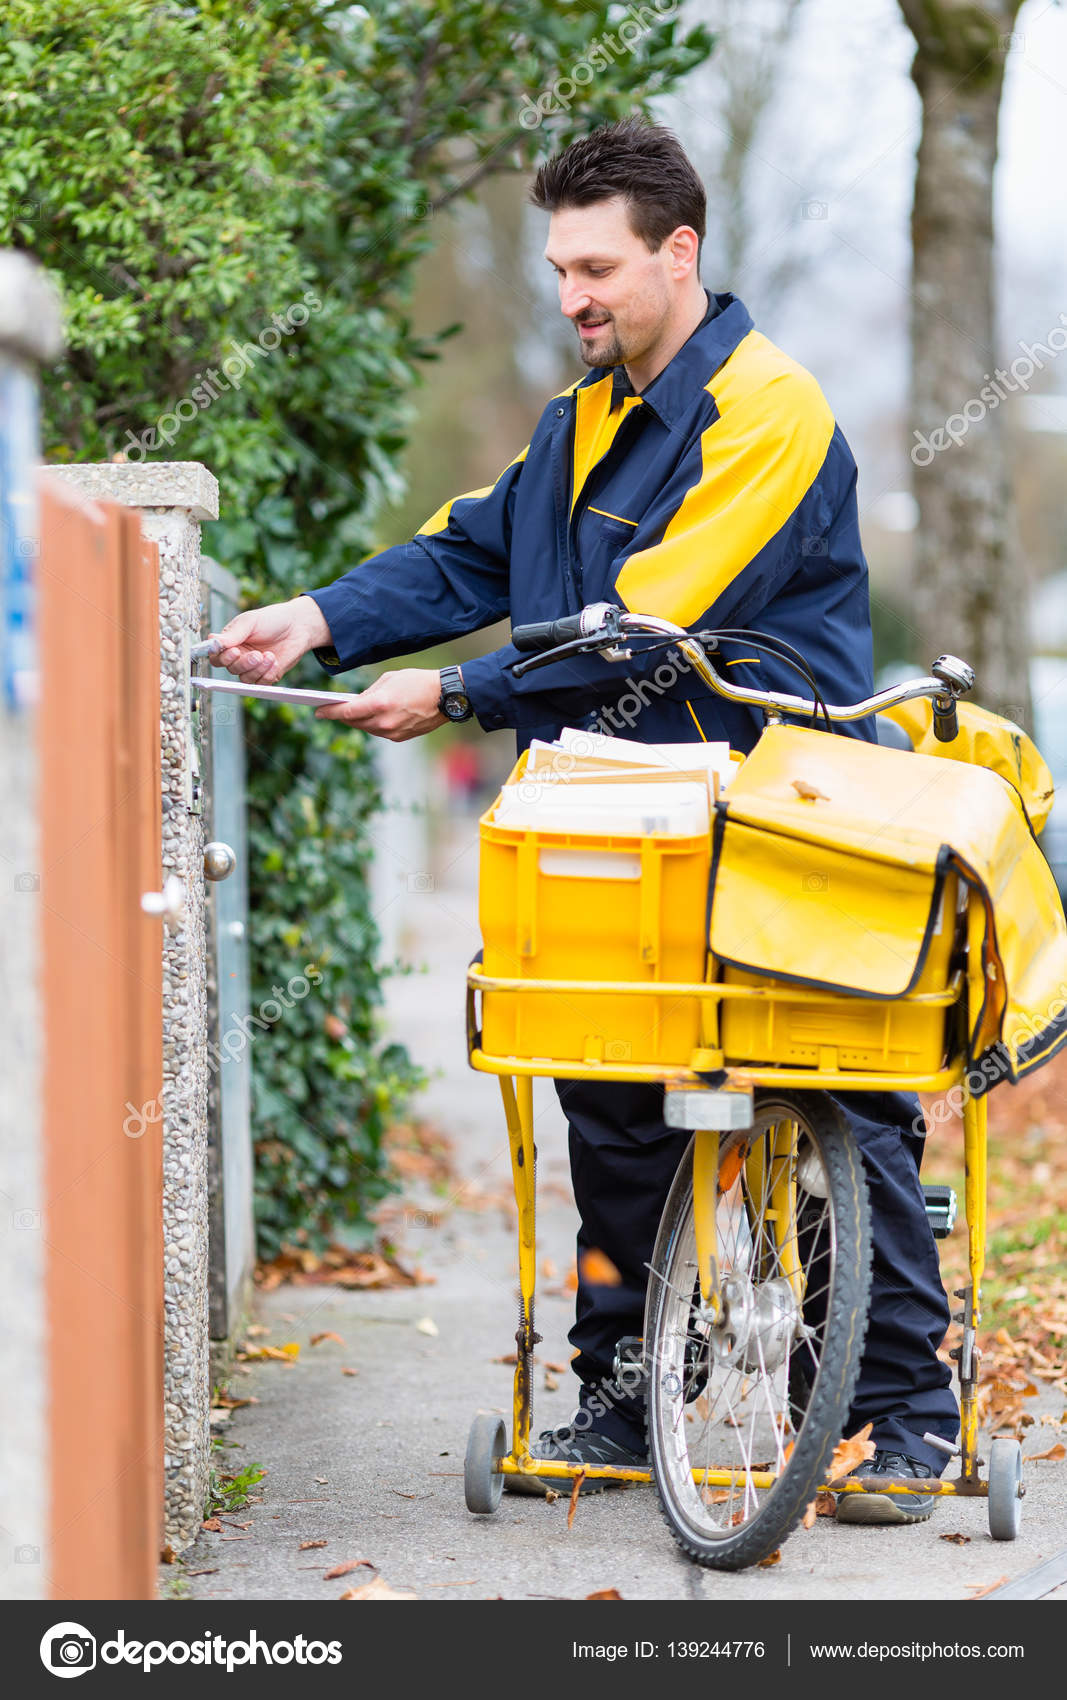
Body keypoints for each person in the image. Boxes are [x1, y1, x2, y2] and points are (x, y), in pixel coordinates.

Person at [213, 116, 959, 1525]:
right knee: (612, 1108)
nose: (574, 297)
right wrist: (317, 622)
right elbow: (467, 552)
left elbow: (653, 622)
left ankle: (896, 1416)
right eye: (561, 268)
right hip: (621, 820)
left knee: (838, 1101)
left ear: (681, 253)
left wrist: (459, 694)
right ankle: (625, 1393)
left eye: (598, 266)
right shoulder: (580, 421)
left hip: (778, 817)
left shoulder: (771, 407)